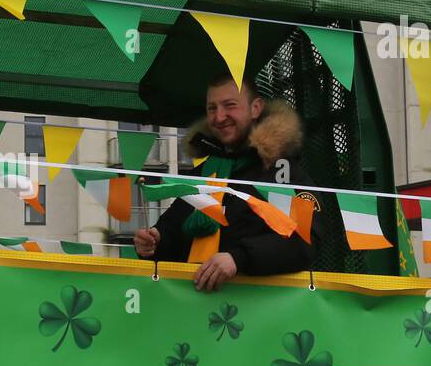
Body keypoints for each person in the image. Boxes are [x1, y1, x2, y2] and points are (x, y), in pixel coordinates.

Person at [134, 74, 318, 291]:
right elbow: (172, 230)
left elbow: (303, 240)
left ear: (255, 108)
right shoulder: (204, 172)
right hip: (193, 307)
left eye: (229, 106)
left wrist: (238, 258)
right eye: (212, 108)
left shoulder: (281, 173)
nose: (219, 117)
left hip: (260, 310)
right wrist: (155, 241)